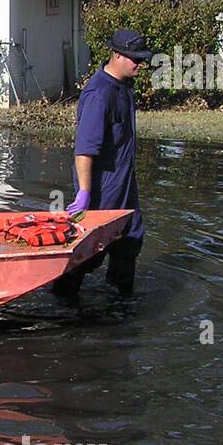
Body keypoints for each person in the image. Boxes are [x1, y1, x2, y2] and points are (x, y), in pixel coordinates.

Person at [53, 28, 149, 298]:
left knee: (130, 243)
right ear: (117, 55)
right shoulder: (98, 94)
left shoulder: (125, 86)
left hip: (126, 188)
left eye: (142, 59)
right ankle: (62, 304)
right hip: (102, 192)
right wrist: (84, 193)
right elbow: (85, 150)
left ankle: (120, 304)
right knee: (88, 255)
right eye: (135, 59)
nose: (140, 64)